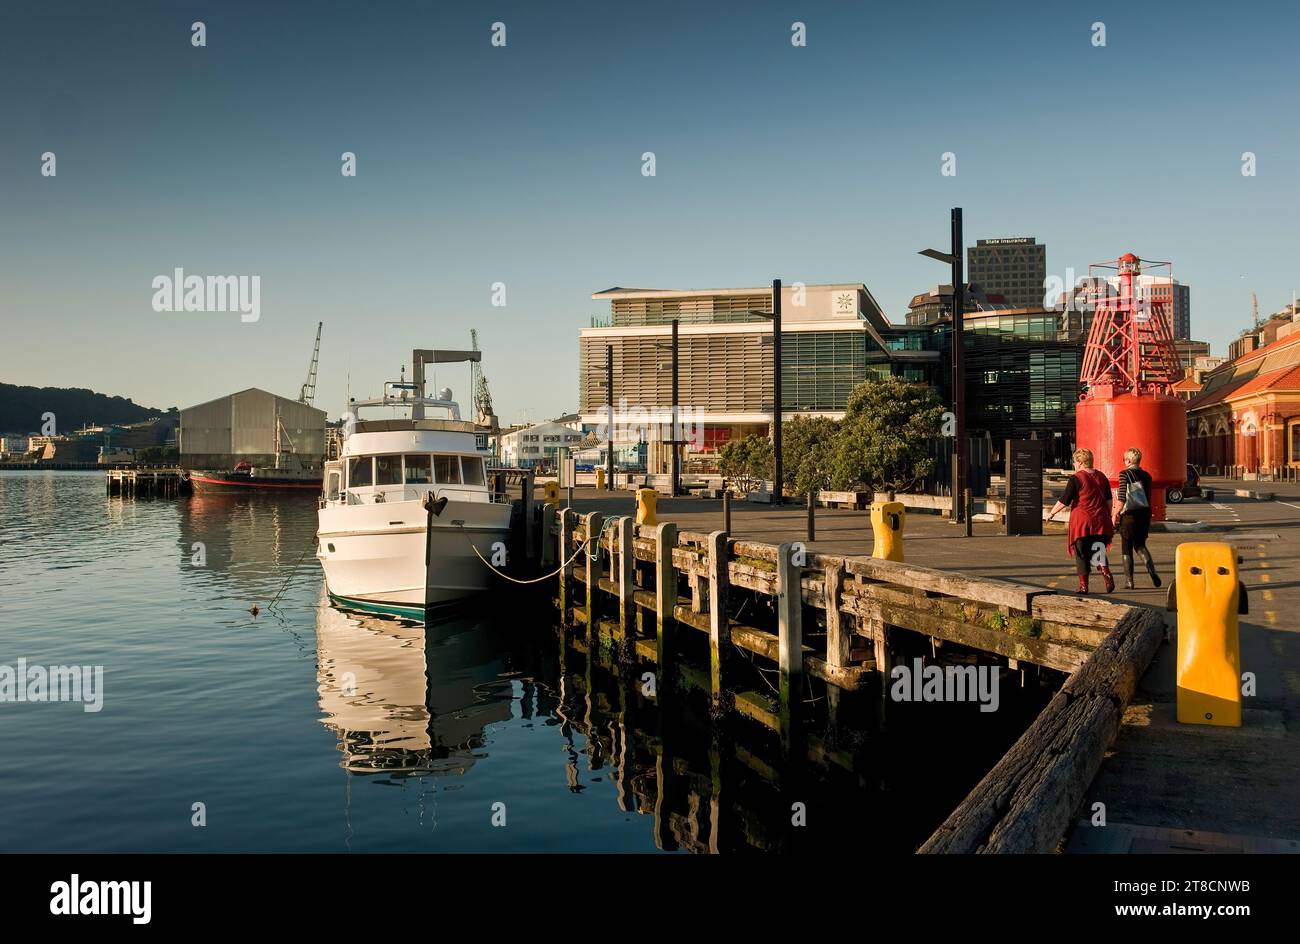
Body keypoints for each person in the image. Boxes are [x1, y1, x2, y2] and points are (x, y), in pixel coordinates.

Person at [1047, 447, 1115, 595]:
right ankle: (1106, 572)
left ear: (1079, 462)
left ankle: (1084, 586)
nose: (1073, 465)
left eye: (1074, 462)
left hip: (1082, 521)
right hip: (1101, 519)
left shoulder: (1076, 478)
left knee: (1081, 553)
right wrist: (1107, 515)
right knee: (1098, 548)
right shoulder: (1102, 477)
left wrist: (1052, 513)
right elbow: (1109, 500)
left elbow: (1064, 500)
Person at [1114, 447, 1161, 590]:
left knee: (1126, 548)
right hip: (1144, 514)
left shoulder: (1124, 474)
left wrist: (1115, 513)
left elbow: (1122, 497)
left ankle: (1129, 581)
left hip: (1129, 516)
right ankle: (1152, 571)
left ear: (1128, 460)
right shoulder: (1147, 476)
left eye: (1124, 459)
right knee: (1140, 545)